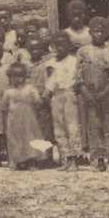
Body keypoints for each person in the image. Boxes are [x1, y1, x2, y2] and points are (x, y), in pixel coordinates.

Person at [77, 17, 109, 171]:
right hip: (90, 96)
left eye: (102, 31)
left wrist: (106, 91)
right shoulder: (83, 51)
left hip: (107, 94)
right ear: (90, 32)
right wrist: (85, 92)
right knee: (94, 127)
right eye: (96, 31)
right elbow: (77, 75)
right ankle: (98, 158)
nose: (99, 34)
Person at [46, 32, 84, 170]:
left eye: (64, 44)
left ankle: (75, 160)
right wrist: (48, 93)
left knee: (72, 126)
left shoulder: (73, 61)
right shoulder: (51, 63)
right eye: (58, 45)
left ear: (69, 45)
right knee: (59, 128)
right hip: (56, 96)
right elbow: (51, 81)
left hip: (69, 94)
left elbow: (78, 78)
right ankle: (66, 158)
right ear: (54, 47)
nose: (61, 48)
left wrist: (75, 90)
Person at [2, 62, 50, 170]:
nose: (17, 79)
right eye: (14, 77)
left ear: (25, 77)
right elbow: (4, 107)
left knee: (30, 138)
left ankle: (32, 161)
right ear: (10, 77)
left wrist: (37, 103)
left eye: (20, 76)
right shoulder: (8, 91)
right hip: (13, 120)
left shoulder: (30, 88)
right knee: (15, 140)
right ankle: (18, 161)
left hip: (29, 119)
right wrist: (6, 122)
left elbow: (38, 102)